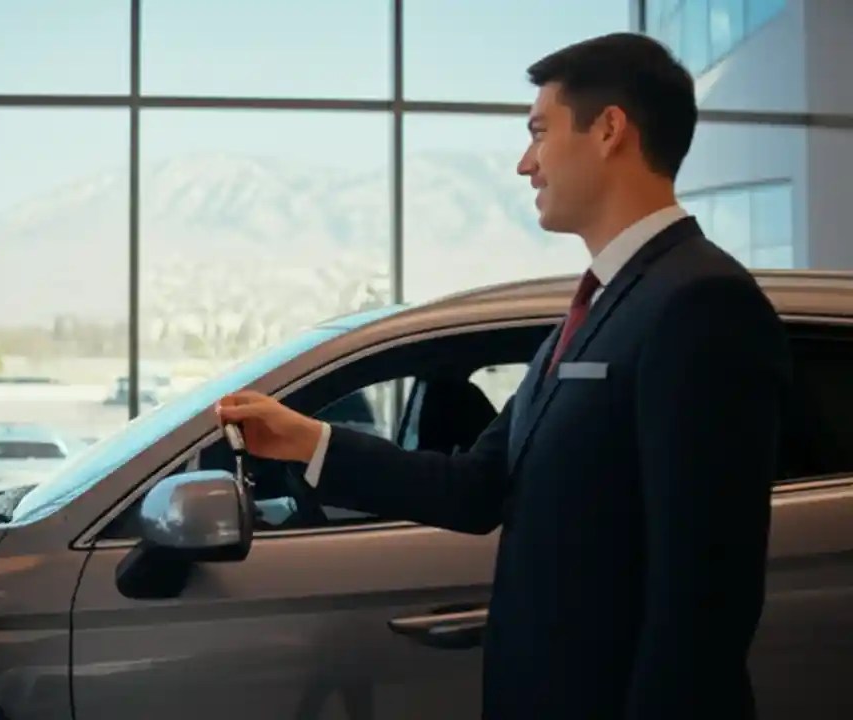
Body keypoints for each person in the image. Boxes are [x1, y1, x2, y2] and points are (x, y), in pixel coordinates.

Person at [217, 33, 790, 720]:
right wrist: (310, 442)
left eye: (539, 132)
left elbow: (705, 596)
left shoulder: (701, 302)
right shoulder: (599, 308)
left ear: (609, 130)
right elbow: (478, 488)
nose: (525, 164)